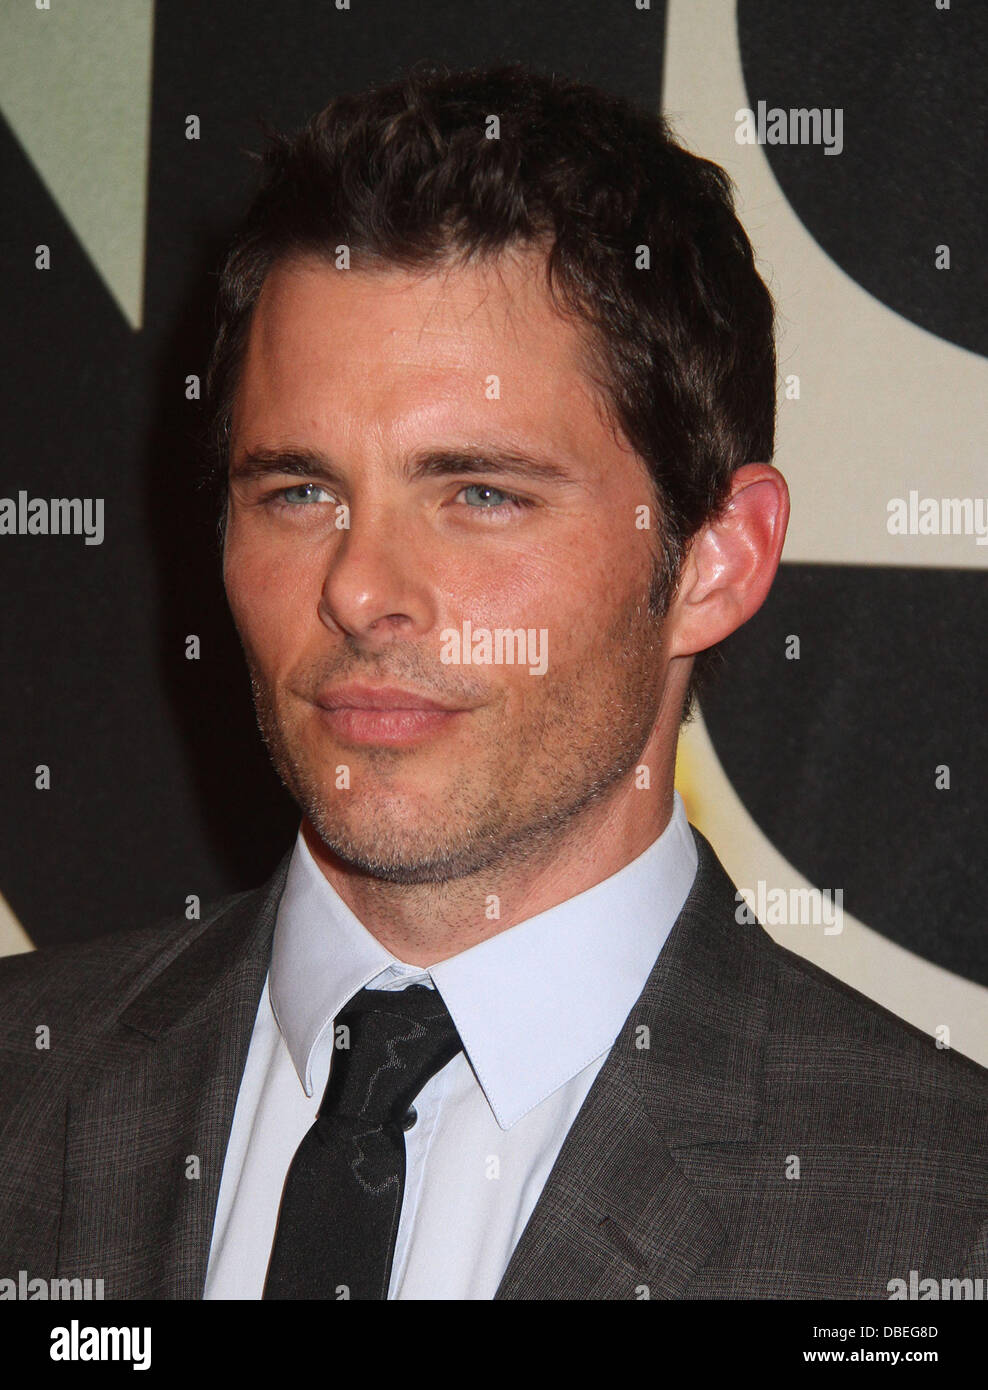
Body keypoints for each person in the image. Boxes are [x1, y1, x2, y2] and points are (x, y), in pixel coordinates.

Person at [1, 64, 985, 1302]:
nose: (360, 588)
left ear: (716, 563)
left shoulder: (941, 1221)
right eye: (299, 490)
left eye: (479, 494)